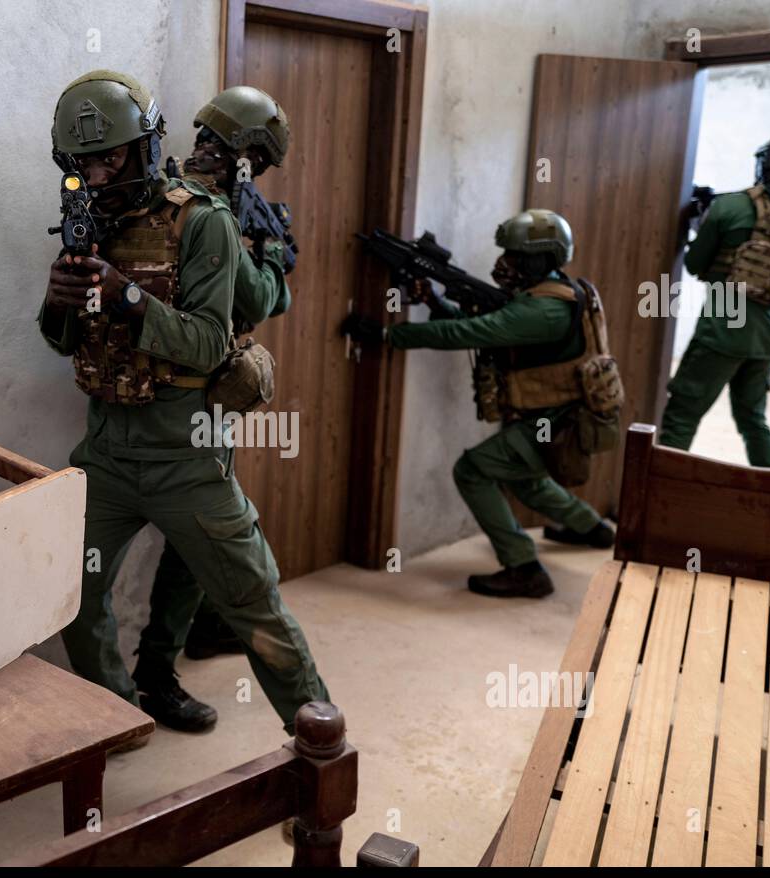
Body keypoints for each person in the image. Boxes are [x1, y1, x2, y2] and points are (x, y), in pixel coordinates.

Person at [37, 70, 329, 738]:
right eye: (84, 161)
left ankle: (322, 755)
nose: (99, 171)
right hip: (106, 454)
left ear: (141, 148)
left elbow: (205, 341)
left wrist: (127, 297)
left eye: (111, 155)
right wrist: (58, 304)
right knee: (69, 595)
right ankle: (121, 720)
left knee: (255, 607)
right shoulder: (90, 220)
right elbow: (64, 342)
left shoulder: (205, 220)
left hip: (186, 456)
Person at [345, 210, 618, 598]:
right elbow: (485, 330)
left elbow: (469, 331)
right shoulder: (551, 292)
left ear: (542, 259)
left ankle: (524, 568)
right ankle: (591, 528)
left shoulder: (543, 310)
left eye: (517, 256)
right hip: (554, 418)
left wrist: (388, 335)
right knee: (526, 479)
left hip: (558, 425)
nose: (504, 263)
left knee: (473, 470)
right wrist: (437, 302)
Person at [134, 86, 295, 711]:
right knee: (202, 536)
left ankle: (197, 632)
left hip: (157, 392)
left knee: (199, 536)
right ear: (248, 152)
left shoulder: (168, 190)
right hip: (185, 404)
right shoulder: (208, 211)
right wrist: (275, 261)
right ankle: (154, 672)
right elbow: (257, 302)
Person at [659, 133, 770, 467]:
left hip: (723, 325)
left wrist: (701, 225)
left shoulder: (731, 205)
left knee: (682, 416)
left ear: (764, 163)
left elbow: (695, 266)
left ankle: (657, 500)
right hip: (768, 333)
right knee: (753, 420)